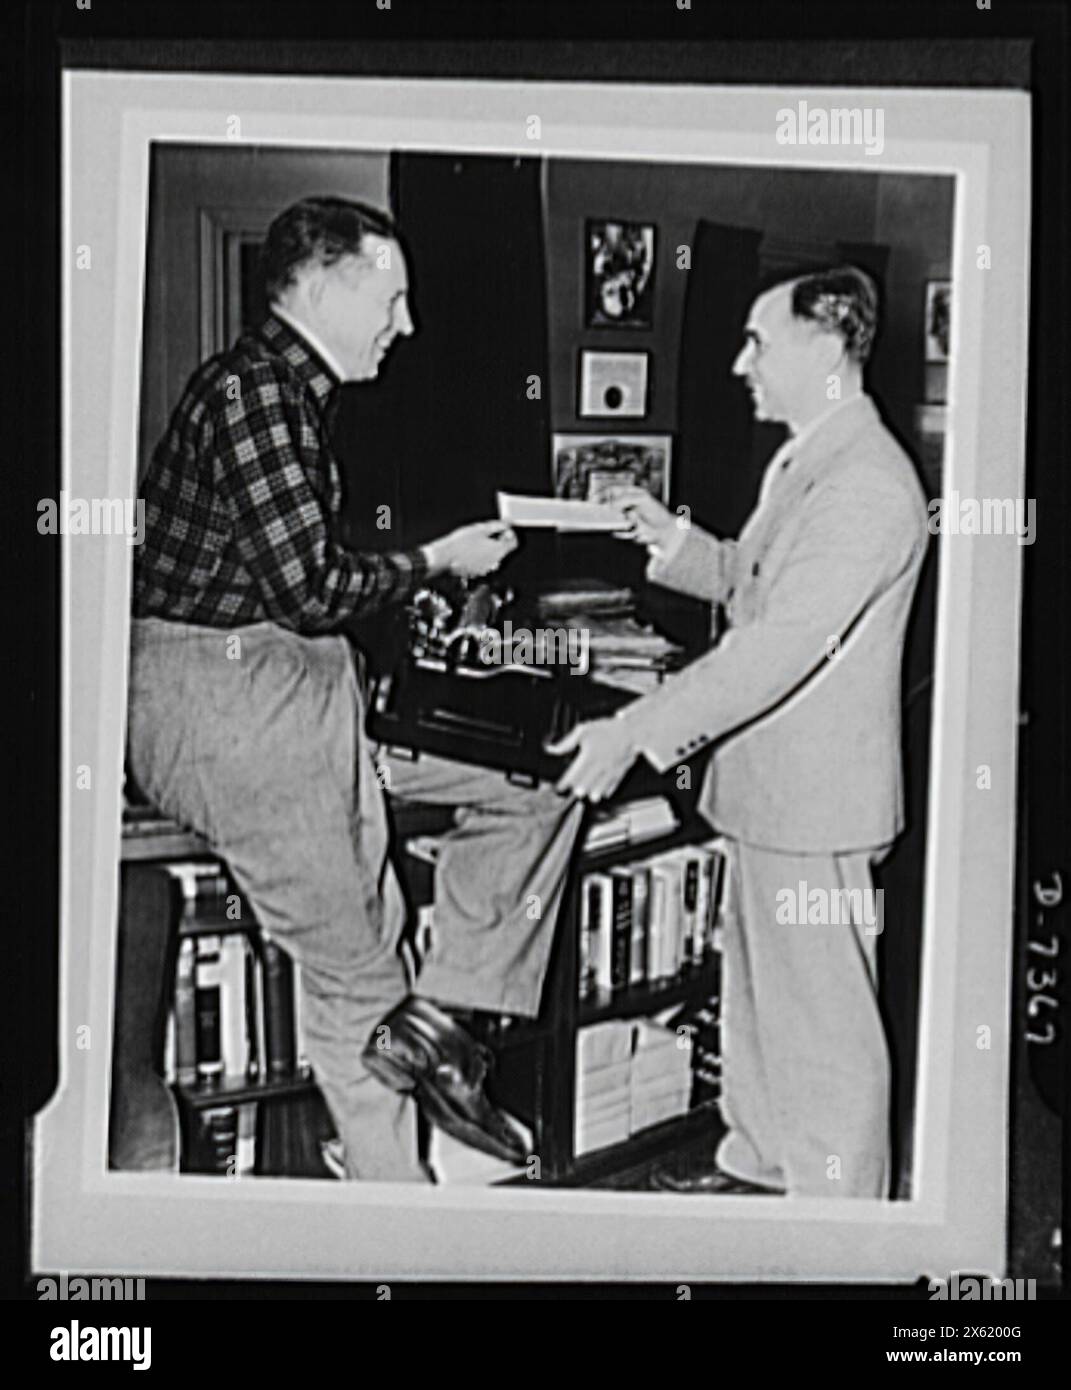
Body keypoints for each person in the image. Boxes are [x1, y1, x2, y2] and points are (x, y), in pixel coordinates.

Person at [121, 196, 584, 1181]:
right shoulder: (254, 393)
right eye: (394, 296)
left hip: (293, 677)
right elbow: (310, 586)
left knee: (540, 784)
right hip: (224, 695)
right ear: (328, 284)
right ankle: (395, 1200)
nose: (405, 324)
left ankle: (439, 1018)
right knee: (356, 971)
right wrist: (437, 557)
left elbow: (295, 580)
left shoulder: (292, 398)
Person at [548, 266, 929, 1198]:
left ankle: (839, 1229)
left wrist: (636, 728)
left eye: (757, 340)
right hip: (772, 794)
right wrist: (671, 543)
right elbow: (753, 581)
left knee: (826, 1035)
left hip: (816, 805)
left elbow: (780, 645)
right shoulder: (809, 457)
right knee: (759, 1010)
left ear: (825, 341)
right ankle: (758, 1170)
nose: (737, 363)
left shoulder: (869, 483)